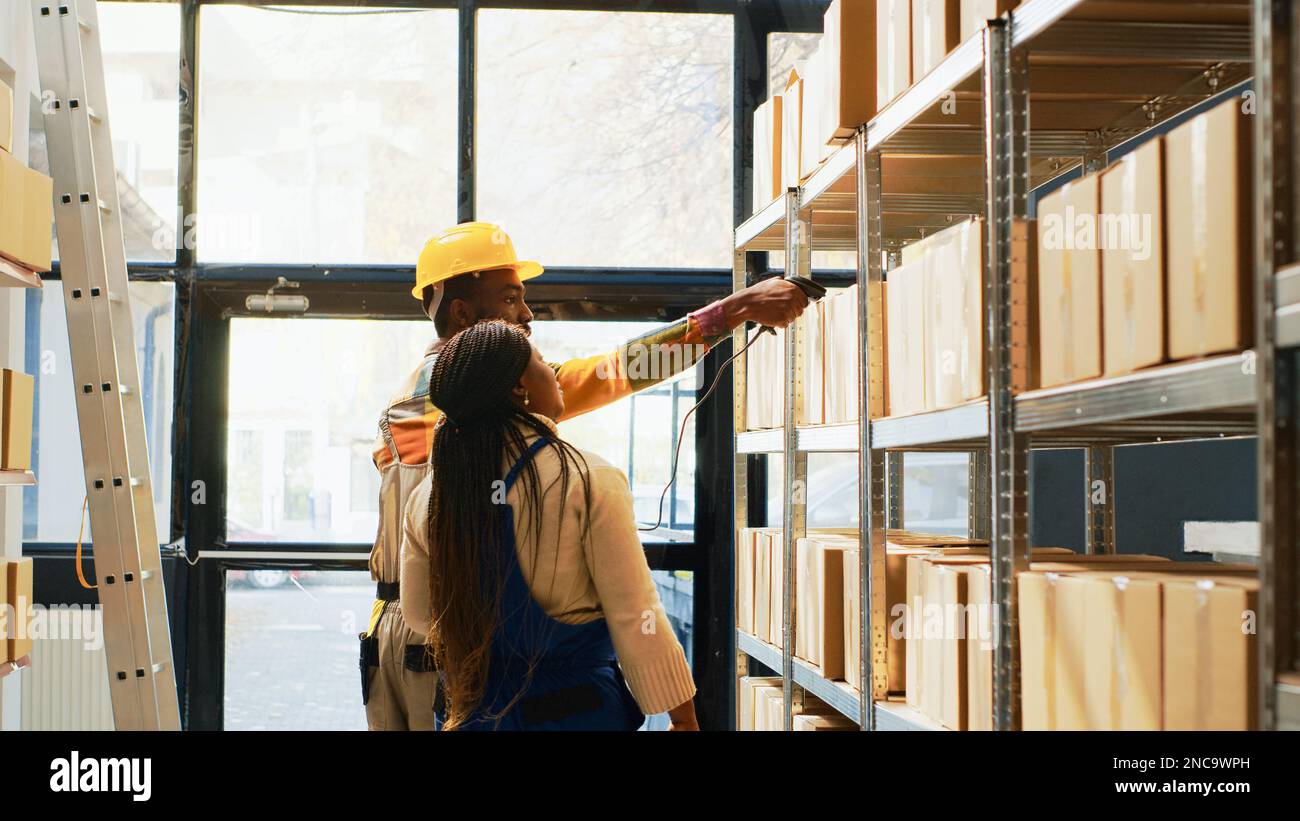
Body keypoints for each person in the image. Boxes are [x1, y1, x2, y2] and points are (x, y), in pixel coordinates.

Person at [362, 221, 807, 730]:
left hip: (409, 643)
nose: (527, 316)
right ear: (463, 313)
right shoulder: (472, 403)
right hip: (444, 653)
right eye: (510, 299)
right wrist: (730, 313)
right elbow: (620, 369)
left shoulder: (410, 404)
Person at [401, 319, 696, 730]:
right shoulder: (587, 477)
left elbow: (419, 614)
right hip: (576, 712)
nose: (555, 374)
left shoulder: (431, 494)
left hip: (473, 712)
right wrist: (681, 717)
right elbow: (636, 614)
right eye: (543, 363)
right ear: (520, 385)